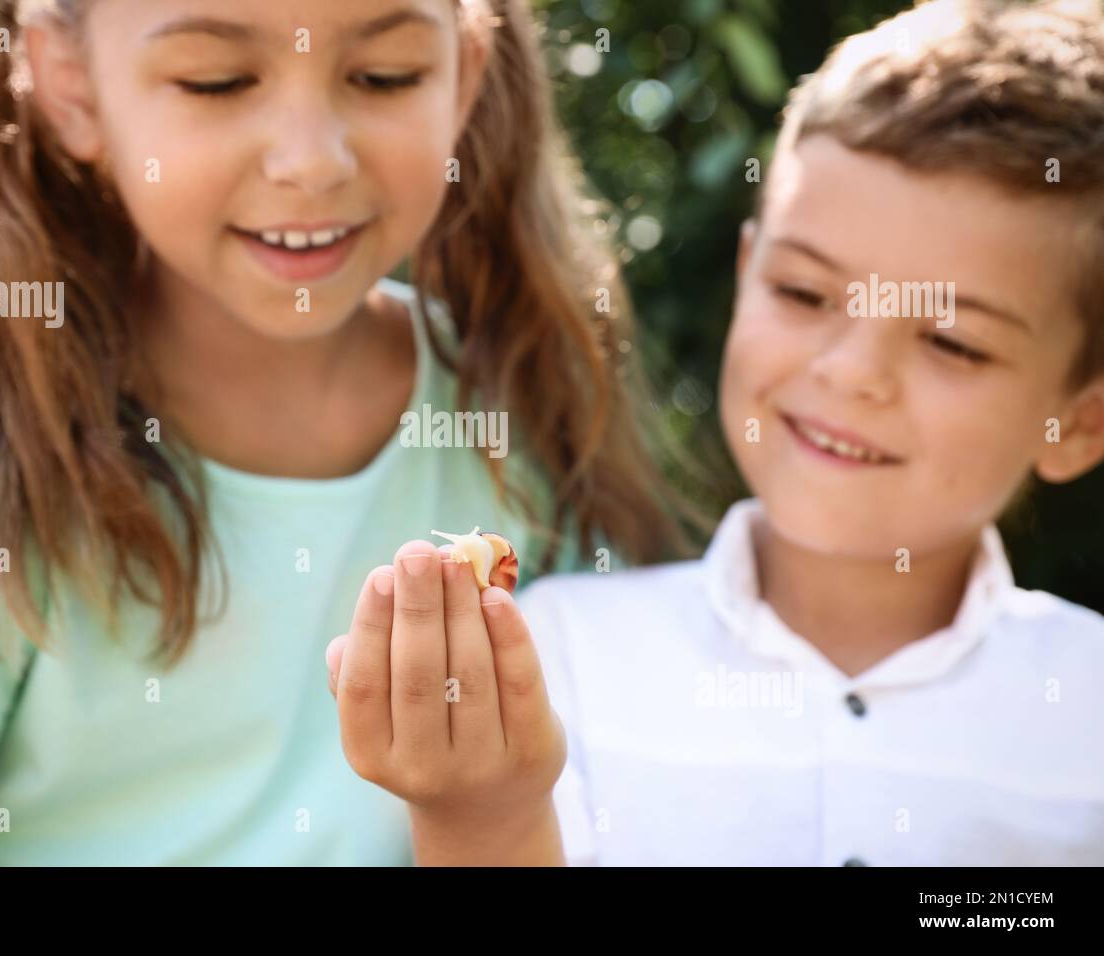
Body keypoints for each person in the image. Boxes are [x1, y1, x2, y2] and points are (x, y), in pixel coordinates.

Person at [0, 0, 687, 865]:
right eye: (216, 81)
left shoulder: (525, 415)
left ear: (465, 75)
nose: (311, 161)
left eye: (385, 75)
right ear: (69, 86)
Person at [328, 0, 1104, 865]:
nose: (849, 372)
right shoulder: (558, 659)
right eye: (805, 294)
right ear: (747, 273)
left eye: (950, 341)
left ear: (1078, 422)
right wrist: (481, 815)